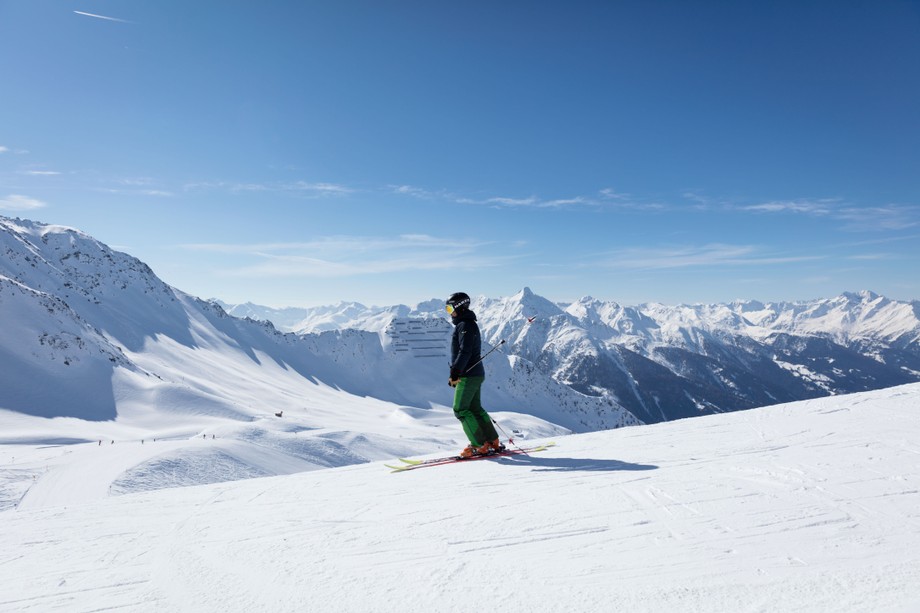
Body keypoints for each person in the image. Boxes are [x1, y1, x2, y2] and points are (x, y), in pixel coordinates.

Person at [446, 292, 503, 458]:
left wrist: (455, 371)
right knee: (475, 409)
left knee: (460, 410)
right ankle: (492, 441)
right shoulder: (469, 324)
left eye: (450, 308)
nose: (449, 312)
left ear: (459, 307)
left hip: (468, 375)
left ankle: (479, 445)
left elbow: (465, 351)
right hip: (476, 373)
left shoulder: (464, 325)